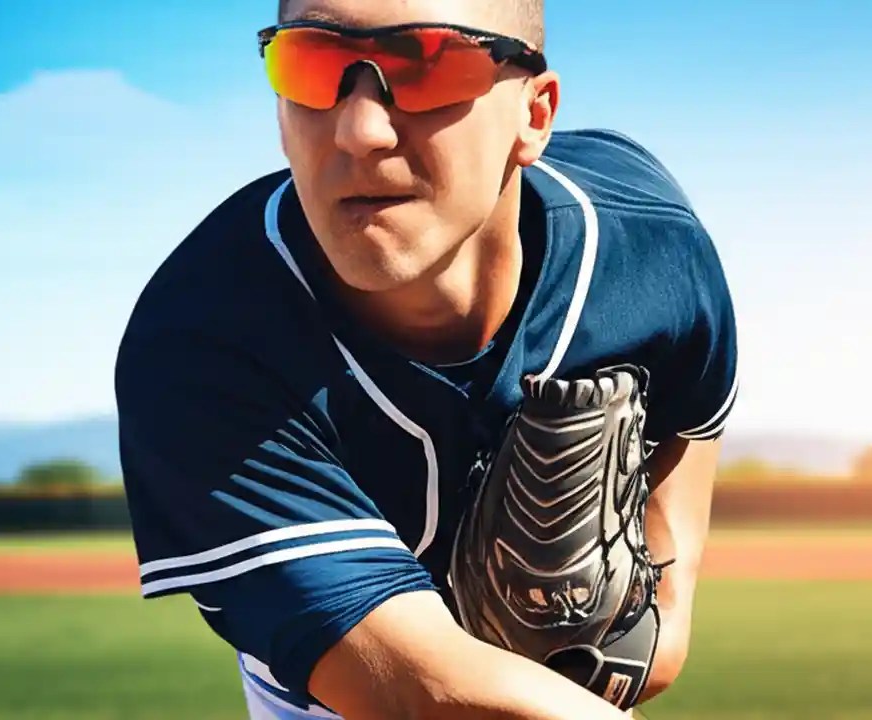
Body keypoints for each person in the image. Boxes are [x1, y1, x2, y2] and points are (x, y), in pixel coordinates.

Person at [114, 1, 738, 717]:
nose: (358, 130)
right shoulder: (204, 335)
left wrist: (642, 644)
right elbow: (417, 687)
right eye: (311, 64)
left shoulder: (645, 244)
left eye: (426, 64)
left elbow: (685, 477)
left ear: (534, 117)